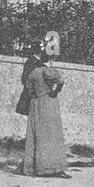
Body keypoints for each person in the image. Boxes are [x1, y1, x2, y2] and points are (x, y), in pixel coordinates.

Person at [20, 43, 67, 177]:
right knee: (50, 134)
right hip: (48, 103)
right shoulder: (45, 70)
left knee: (35, 134)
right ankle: (49, 166)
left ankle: (32, 167)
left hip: (35, 103)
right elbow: (60, 81)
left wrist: (35, 95)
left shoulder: (33, 71)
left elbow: (28, 87)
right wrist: (54, 92)